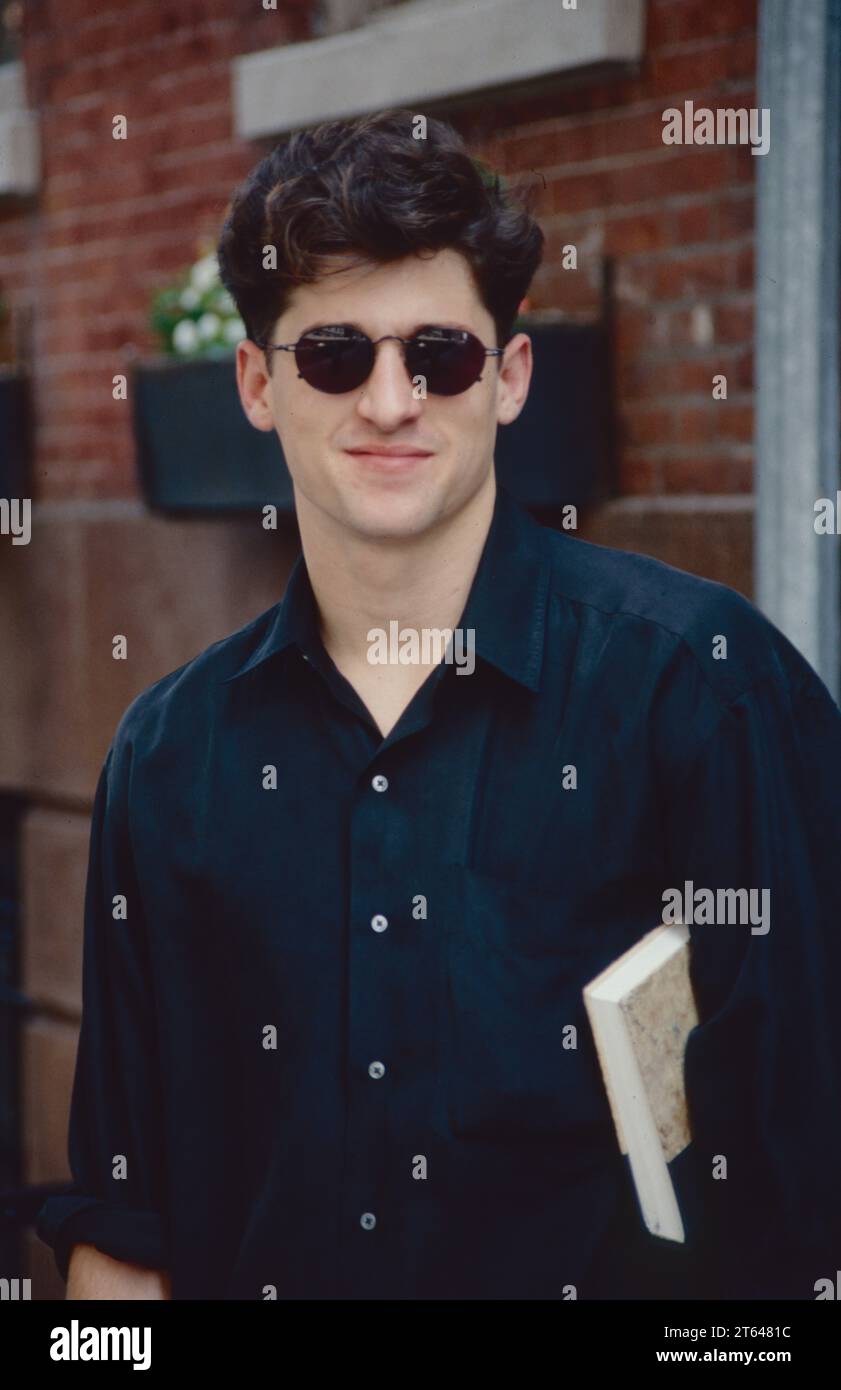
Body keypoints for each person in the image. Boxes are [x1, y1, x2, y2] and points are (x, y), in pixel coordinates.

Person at [37, 108, 841, 1301]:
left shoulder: (702, 690)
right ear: (257, 382)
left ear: (508, 378)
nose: (391, 399)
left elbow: (805, 1194)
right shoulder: (167, 757)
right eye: (334, 354)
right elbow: (120, 1229)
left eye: (441, 354)